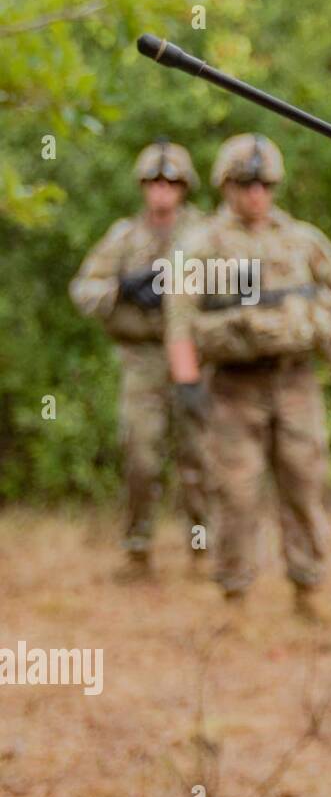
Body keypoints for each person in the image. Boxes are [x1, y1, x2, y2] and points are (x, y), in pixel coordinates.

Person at [164, 133, 331, 617]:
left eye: (264, 184)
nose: (255, 194)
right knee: (237, 493)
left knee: (304, 484)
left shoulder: (301, 239)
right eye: (245, 184)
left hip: (295, 382)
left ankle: (307, 589)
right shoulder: (202, 245)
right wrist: (186, 382)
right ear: (226, 186)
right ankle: (234, 596)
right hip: (234, 387)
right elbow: (179, 318)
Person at [70, 140, 209, 582]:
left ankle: (202, 549)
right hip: (142, 359)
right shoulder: (123, 237)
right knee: (141, 454)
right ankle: (138, 548)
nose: (162, 190)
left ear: (184, 187)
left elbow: (239, 284)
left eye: (170, 182)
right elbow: (83, 290)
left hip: (193, 356)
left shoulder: (204, 233)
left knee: (199, 456)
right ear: (143, 186)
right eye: (154, 182)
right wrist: (123, 289)